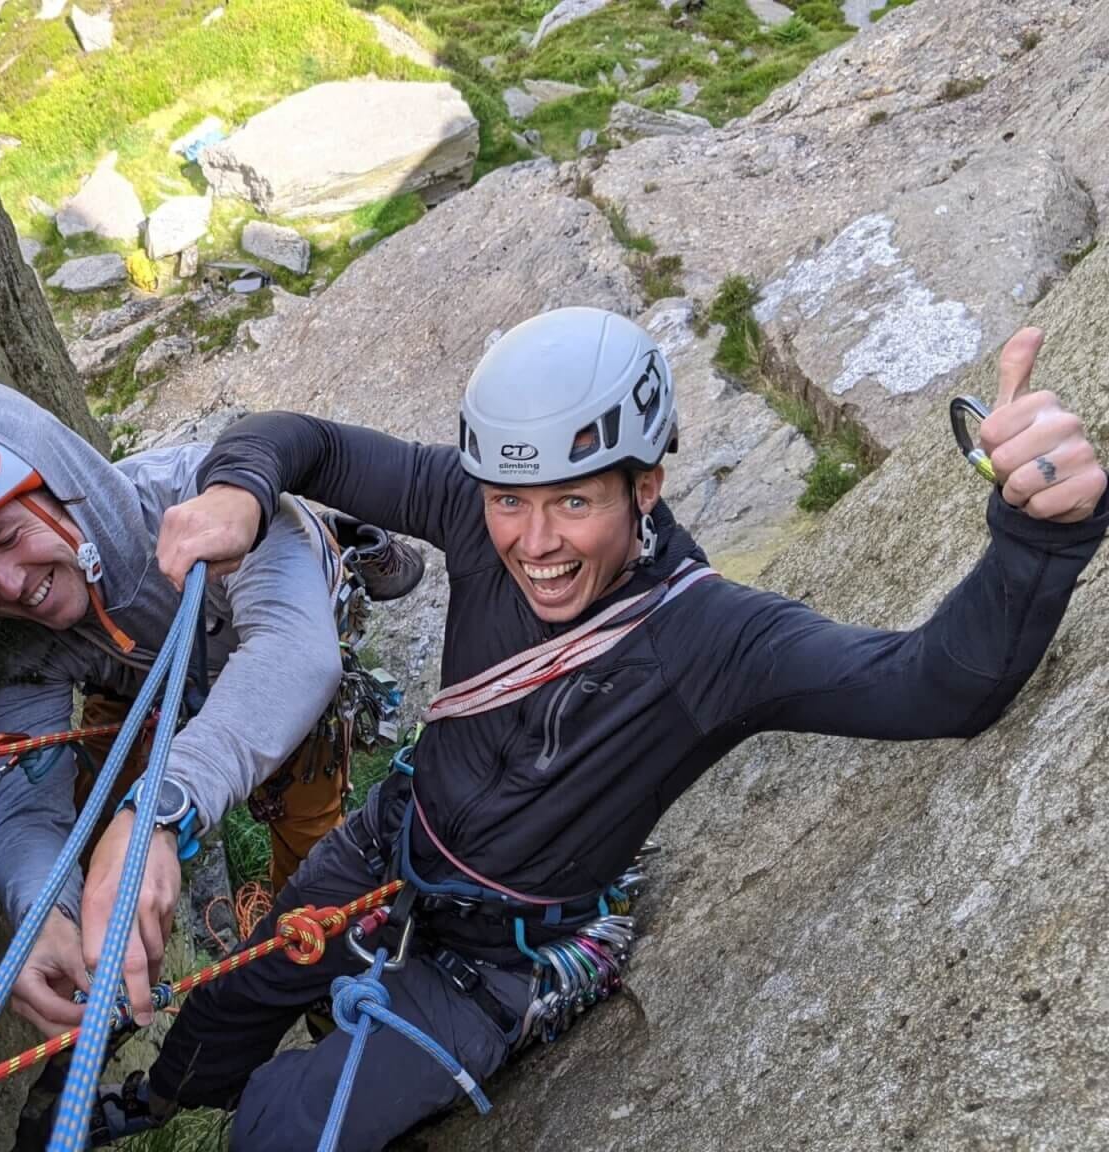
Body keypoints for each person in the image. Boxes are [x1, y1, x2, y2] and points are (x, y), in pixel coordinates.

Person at [87, 308, 1108, 1150]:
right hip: (396, 842)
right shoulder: (470, 506)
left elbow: (938, 687)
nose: (534, 543)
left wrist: (1040, 535)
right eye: (510, 502)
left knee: (284, 1126)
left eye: (573, 502)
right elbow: (302, 439)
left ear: (646, 485)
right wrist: (240, 488)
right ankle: (156, 1106)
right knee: (239, 995)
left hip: (504, 959)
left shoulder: (713, 640)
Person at [0, 372, 420, 1042]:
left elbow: (296, 656)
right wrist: (43, 911)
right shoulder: (19, 649)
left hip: (269, 658)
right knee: (96, 824)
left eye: (7, 537)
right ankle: (112, 987)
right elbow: (28, 812)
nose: (7, 586)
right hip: (138, 688)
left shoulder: (214, 499)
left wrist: (159, 809)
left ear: (60, 486)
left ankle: (333, 991)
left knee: (312, 849)